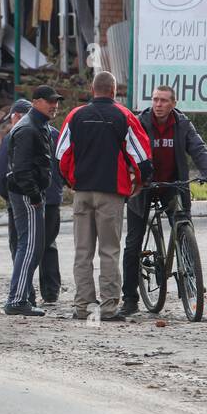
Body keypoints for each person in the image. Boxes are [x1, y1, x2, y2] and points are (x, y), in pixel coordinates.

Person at [55, 70, 151, 322]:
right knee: (109, 251)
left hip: (82, 192)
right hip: (111, 193)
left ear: (92, 89)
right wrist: (139, 183)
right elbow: (141, 156)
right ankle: (108, 308)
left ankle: (83, 307)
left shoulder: (75, 116)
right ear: (114, 90)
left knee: (82, 251)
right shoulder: (124, 116)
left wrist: (71, 181)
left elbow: (61, 156)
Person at [121, 84, 207, 315]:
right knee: (133, 242)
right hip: (143, 186)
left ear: (173, 103)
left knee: (184, 226)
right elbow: (126, 151)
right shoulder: (140, 122)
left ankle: (191, 278)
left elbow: (198, 148)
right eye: (155, 100)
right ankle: (129, 298)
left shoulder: (182, 124)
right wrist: (130, 174)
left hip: (172, 185)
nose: (158, 105)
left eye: (164, 101)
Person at [0, 88, 64, 308]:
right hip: (26, 195)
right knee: (29, 247)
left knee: (32, 246)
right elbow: (21, 169)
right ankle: (17, 299)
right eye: (50, 101)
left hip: (30, 194)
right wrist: (34, 195)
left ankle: (22, 297)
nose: (55, 105)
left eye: (56, 102)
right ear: (36, 102)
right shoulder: (27, 129)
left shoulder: (39, 126)